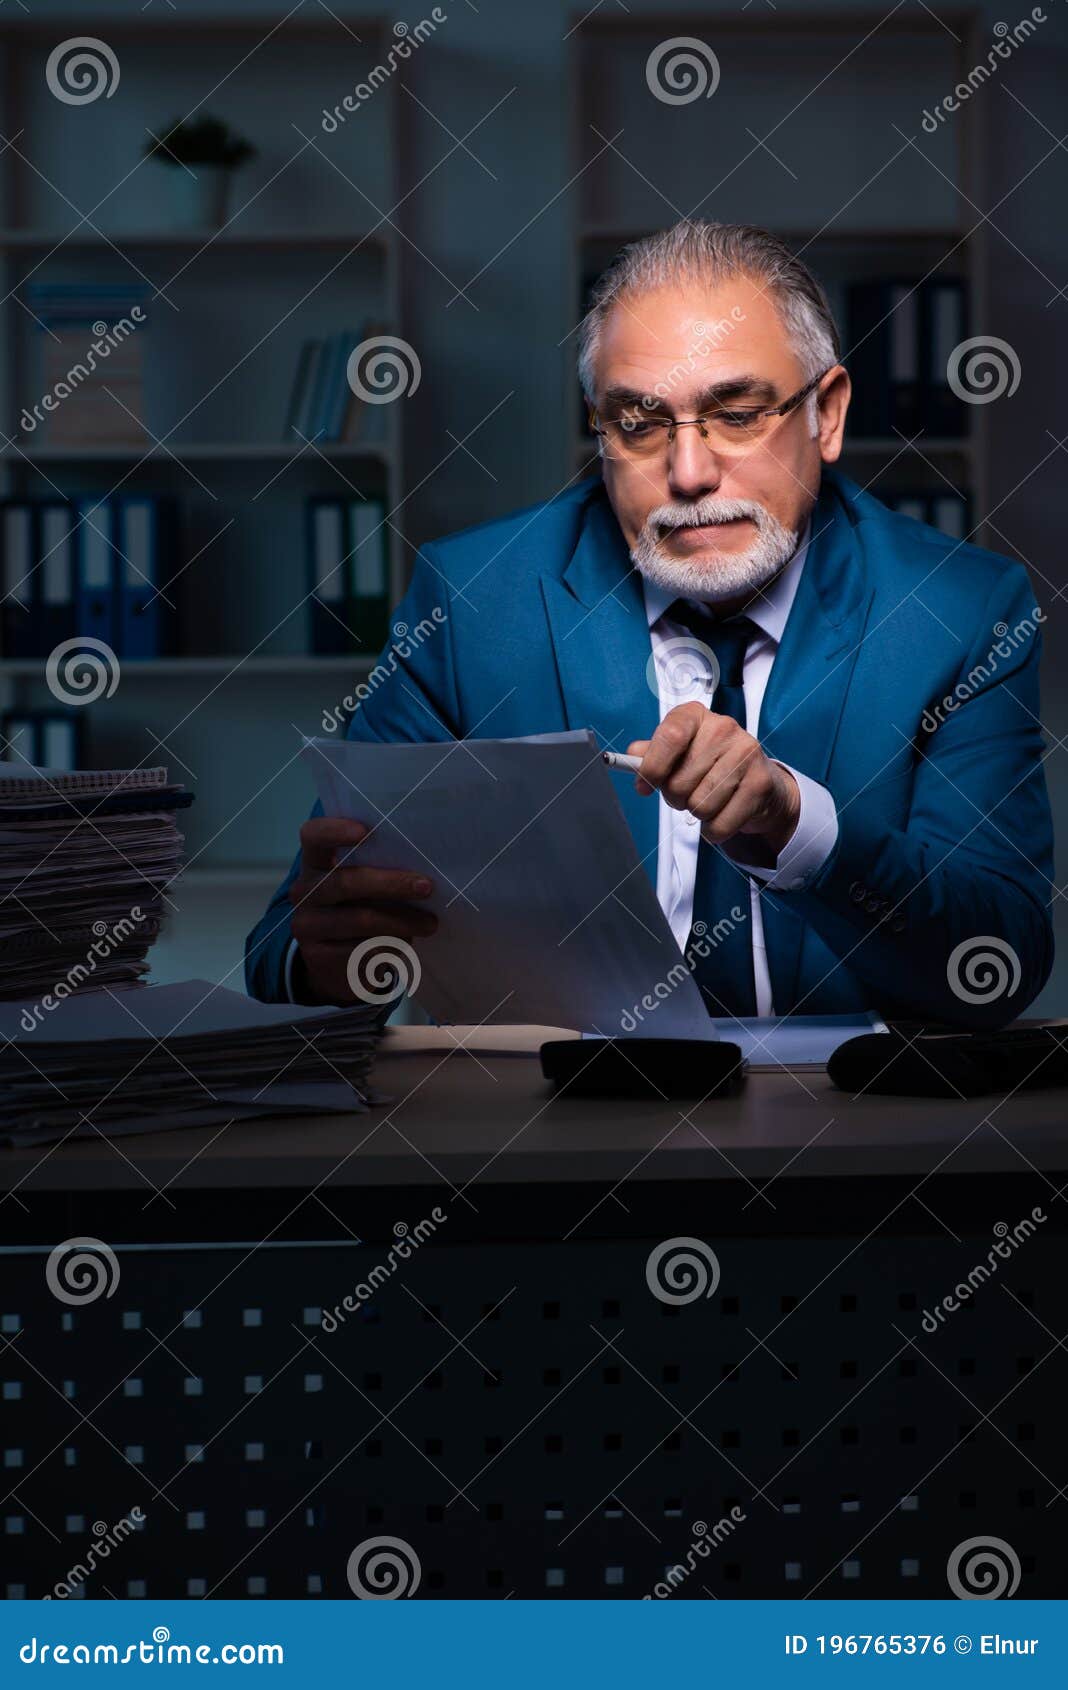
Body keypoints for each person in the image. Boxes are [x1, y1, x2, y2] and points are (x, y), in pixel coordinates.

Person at [247, 220, 1053, 1027]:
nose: (690, 473)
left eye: (738, 414)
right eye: (638, 423)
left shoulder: (961, 613)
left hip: (853, 1104)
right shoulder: (470, 605)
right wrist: (332, 960)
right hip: (554, 1105)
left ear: (827, 414)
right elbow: (287, 944)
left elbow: (997, 963)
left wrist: (797, 828)